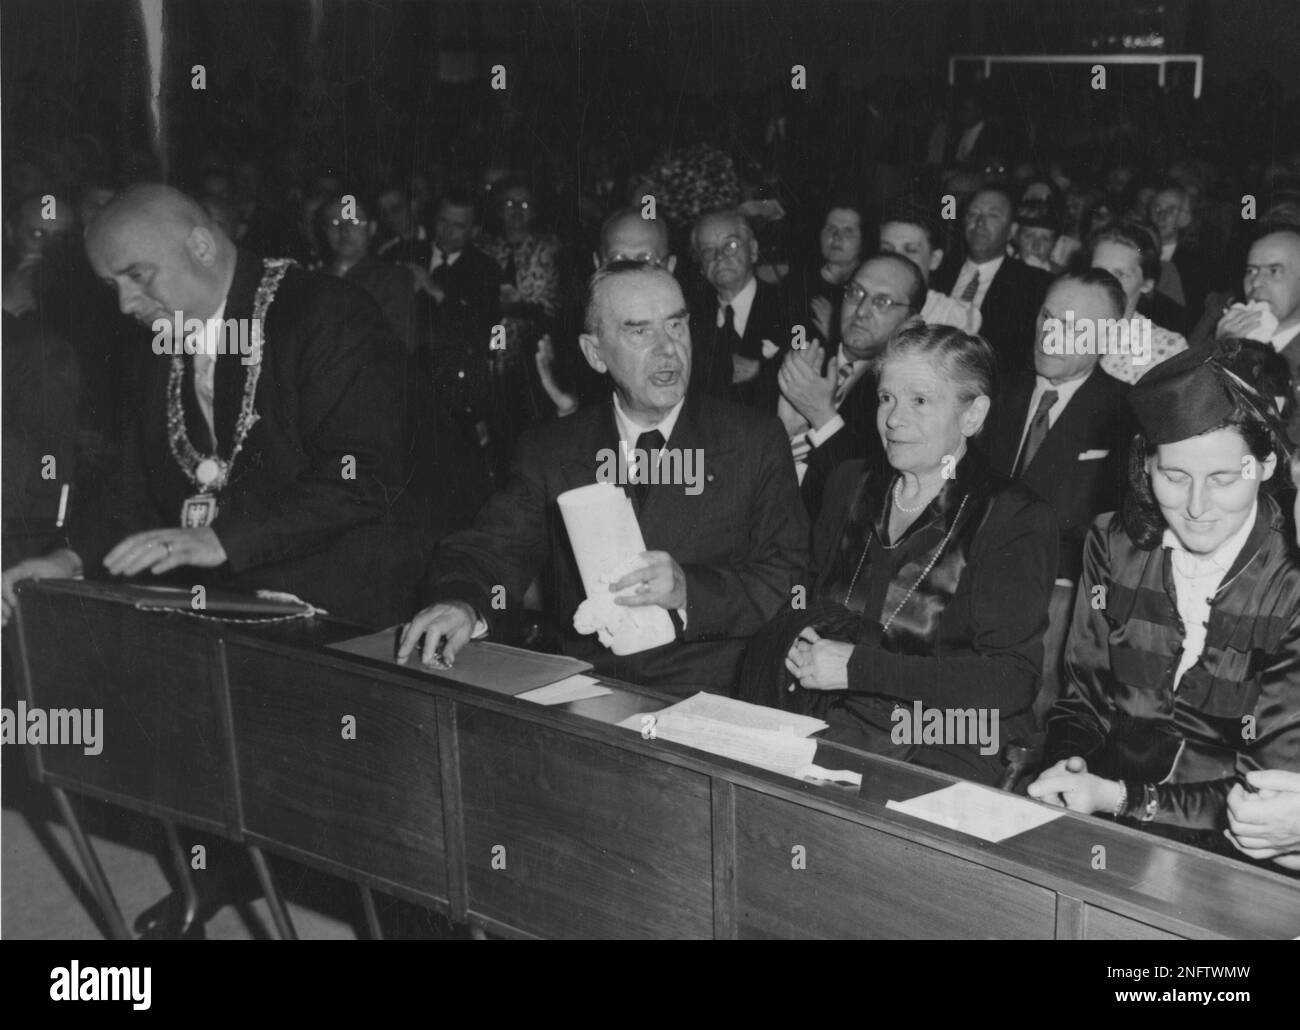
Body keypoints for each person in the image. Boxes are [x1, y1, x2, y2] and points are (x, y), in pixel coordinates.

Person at [1, 183, 467, 631]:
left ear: (202, 247)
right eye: (112, 285)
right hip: (240, 601)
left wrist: (221, 540)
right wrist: (68, 558)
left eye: (137, 276)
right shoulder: (159, 339)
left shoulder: (326, 313)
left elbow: (360, 475)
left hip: (364, 607)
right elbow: (134, 482)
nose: (125, 303)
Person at [400, 261, 808, 695]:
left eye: (676, 326)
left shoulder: (753, 440)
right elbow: (493, 549)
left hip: (711, 694)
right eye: (639, 332)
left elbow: (790, 579)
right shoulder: (552, 450)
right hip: (589, 689)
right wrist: (464, 602)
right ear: (595, 354)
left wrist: (690, 590)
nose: (668, 349)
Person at [737, 324, 1058, 786]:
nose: (893, 419)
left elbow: (1011, 680)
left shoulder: (1013, 517)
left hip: (946, 730)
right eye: (887, 398)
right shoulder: (850, 484)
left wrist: (860, 667)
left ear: (973, 415)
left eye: (920, 401)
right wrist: (800, 632)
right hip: (830, 705)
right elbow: (807, 590)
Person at [1028, 346, 1300, 850]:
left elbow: (1266, 790)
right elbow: (1085, 698)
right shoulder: (1113, 545)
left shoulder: (1290, 584)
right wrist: (1066, 766)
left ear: (1263, 465)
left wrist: (1118, 797)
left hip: (1230, 844)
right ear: (1145, 465)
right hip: (1102, 811)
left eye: (1221, 479)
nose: (1196, 507)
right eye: (1174, 477)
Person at [982, 270, 1133, 716]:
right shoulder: (992, 391)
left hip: (1056, 614)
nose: (1050, 335)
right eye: (1047, 317)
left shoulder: (1126, 416)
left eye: (1071, 327)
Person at [781, 252, 923, 520]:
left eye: (882, 302)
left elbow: (867, 498)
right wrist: (784, 432)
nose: (860, 311)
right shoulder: (798, 362)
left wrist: (823, 418)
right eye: (855, 293)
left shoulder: (908, 400)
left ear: (911, 323)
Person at [931, 187, 1052, 370]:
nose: (980, 223)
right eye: (973, 214)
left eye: (993, 216)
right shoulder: (937, 271)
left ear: (1012, 230)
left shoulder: (1033, 285)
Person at [688, 208, 792, 408]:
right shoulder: (692, 322)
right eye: (708, 250)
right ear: (701, 265)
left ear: (753, 250)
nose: (720, 256)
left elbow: (806, 357)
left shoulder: (788, 305)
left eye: (731, 245)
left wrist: (762, 370)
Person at [316, 192, 418, 354]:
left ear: (372, 228)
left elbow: (399, 345)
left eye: (354, 222)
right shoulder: (314, 281)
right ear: (324, 230)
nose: (344, 231)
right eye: (335, 223)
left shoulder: (391, 278)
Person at [1088, 221, 1188, 384]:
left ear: (1146, 284)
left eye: (1120, 274)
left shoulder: (1167, 350)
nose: (1104, 281)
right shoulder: (1061, 324)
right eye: (1098, 270)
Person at [878, 198, 980, 332]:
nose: (896, 260)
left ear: (934, 259)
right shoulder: (860, 306)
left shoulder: (952, 318)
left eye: (910, 250)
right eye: (887, 250)